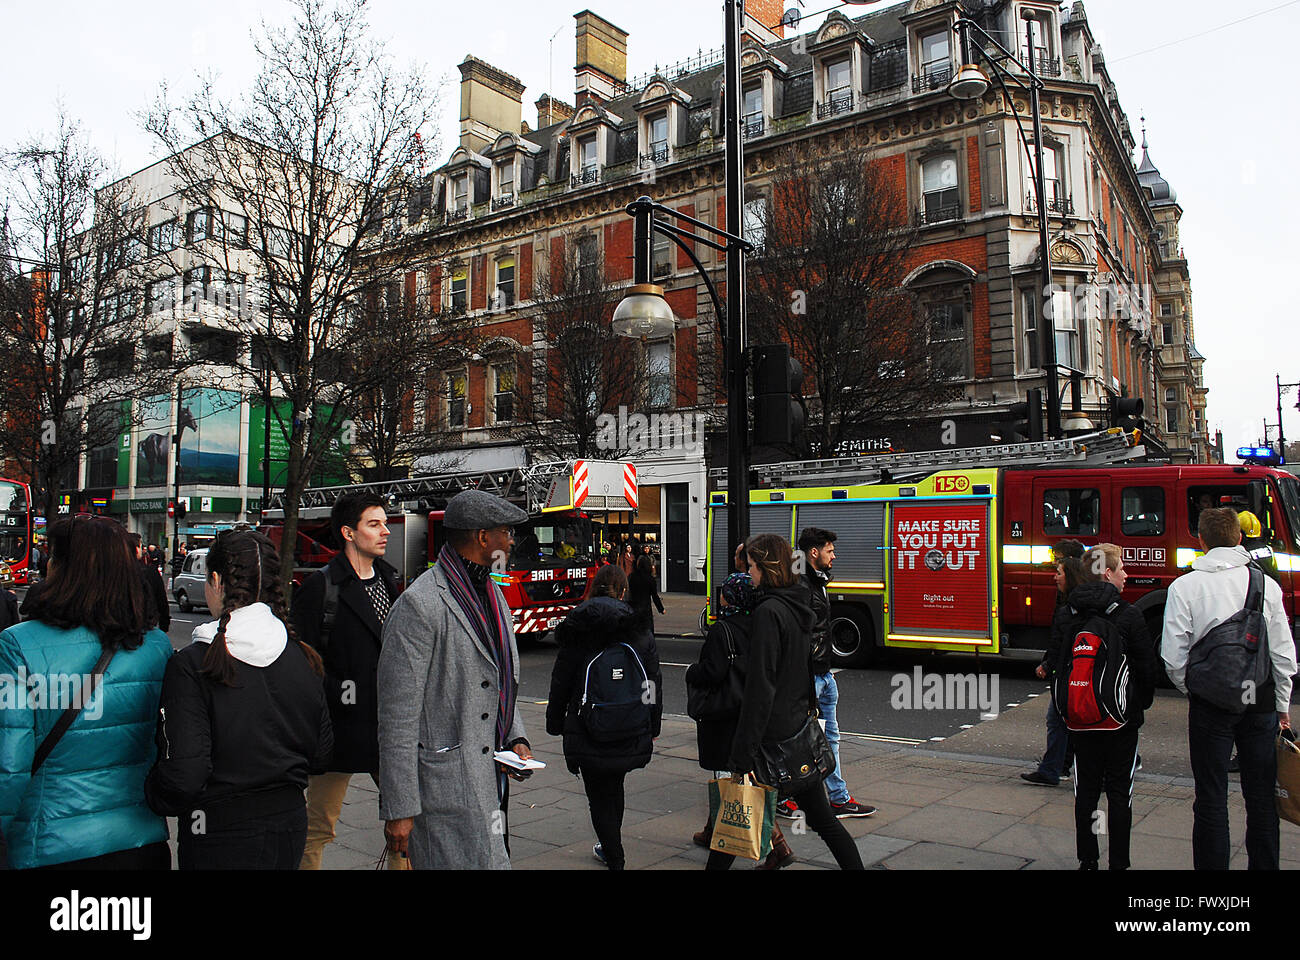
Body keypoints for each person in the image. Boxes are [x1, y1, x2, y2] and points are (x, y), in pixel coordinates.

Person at [144, 530, 332, 869]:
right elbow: (320, 754)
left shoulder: (193, 664)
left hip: (218, 829)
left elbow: (185, 774)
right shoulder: (303, 656)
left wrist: (152, 794)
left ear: (215, 580)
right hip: (289, 824)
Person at [0, 514, 172, 869]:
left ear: (61, 568)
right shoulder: (156, 647)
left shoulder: (17, 645)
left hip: (48, 843)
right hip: (138, 842)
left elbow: (8, 766)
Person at [377, 489, 533, 870]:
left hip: (491, 774)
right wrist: (399, 808)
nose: (510, 541)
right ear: (482, 538)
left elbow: (499, 675)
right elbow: (397, 716)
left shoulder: (492, 593)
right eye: (505, 532)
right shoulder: (419, 604)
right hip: (444, 787)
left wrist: (517, 736)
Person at [708, 533, 865, 871]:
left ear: (765, 567)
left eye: (751, 567)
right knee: (823, 821)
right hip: (797, 730)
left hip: (771, 738)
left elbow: (761, 685)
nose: (749, 574)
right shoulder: (798, 605)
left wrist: (743, 750)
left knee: (736, 818)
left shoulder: (768, 612)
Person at [1161, 506, 1296, 870]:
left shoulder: (1184, 586)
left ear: (1201, 541)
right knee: (1262, 797)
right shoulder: (1265, 585)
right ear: (1238, 537)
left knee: (1210, 797)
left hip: (1211, 705)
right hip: (1261, 701)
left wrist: (1198, 690)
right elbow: (1283, 654)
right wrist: (1282, 705)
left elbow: (1173, 658)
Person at [292, 492, 402, 870]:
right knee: (319, 825)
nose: (386, 531)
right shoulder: (321, 588)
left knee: (404, 824)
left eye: (385, 523)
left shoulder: (390, 579)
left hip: (388, 727)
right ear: (348, 533)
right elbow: (303, 663)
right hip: (338, 730)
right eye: (374, 524)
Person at [546, 565, 661, 869]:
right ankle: (612, 845)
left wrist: (555, 720)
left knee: (598, 793)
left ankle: (614, 853)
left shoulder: (578, 625)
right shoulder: (637, 627)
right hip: (629, 722)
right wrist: (653, 722)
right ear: (623, 591)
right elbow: (652, 681)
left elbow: (562, 678)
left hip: (588, 724)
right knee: (615, 784)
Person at [1049, 543, 1156, 870]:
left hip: (1081, 719)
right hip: (1121, 722)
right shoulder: (1129, 614)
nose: (1126, 573)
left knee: (1088, 792)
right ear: (1107, 573)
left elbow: (1058, 665)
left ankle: (1088, 859)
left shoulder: (1068, 613)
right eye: (1122, 567)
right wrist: (1135, 708)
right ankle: (1119, 863)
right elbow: (1146, 669)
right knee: (1119, 795)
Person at [689, 571, 802, 869]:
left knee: (738, 782)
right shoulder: (762, 623)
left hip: (726, 714)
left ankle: (777, 846)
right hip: (754, 713)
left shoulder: (722, 629)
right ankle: (718, 832)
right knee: (741, 778)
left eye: (725, 592)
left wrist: (692, 672)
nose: (721, 597)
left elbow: (712, 672)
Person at [778, 528, 876, 820]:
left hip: (823, 674)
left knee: (829, 739)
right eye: (829, 550)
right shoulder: (800, 585)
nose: (834, 555)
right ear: (813, 553)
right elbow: (798, 636)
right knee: (796, 741)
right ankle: (784, 796)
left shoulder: (818, 581)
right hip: (809, 678)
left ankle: (837, 798)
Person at [1022, 538, 1086, 786]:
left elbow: (1063, 639)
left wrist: (1048, 664)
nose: (1053, 572)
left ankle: (1052, 769)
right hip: (1071, 669)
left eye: (1057, 565)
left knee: (1060, 719)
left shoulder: (1071, 604)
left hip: (1068, 672)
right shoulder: (1074, 599)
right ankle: (1058, 766)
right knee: (1065, 720)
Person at [129, 532, 171, 632]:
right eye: (140, 546)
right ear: (136, 548)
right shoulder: (149, 571)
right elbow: (161, 599)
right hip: (146, 623)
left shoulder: (114, 572)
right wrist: (164, 625)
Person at [627, 554, 665, 623]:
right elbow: (654, 595)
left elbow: (628, 591)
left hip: (633, 606)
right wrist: (661, 609)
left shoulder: (632, 577)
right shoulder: (650, 579)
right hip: (645, 607)